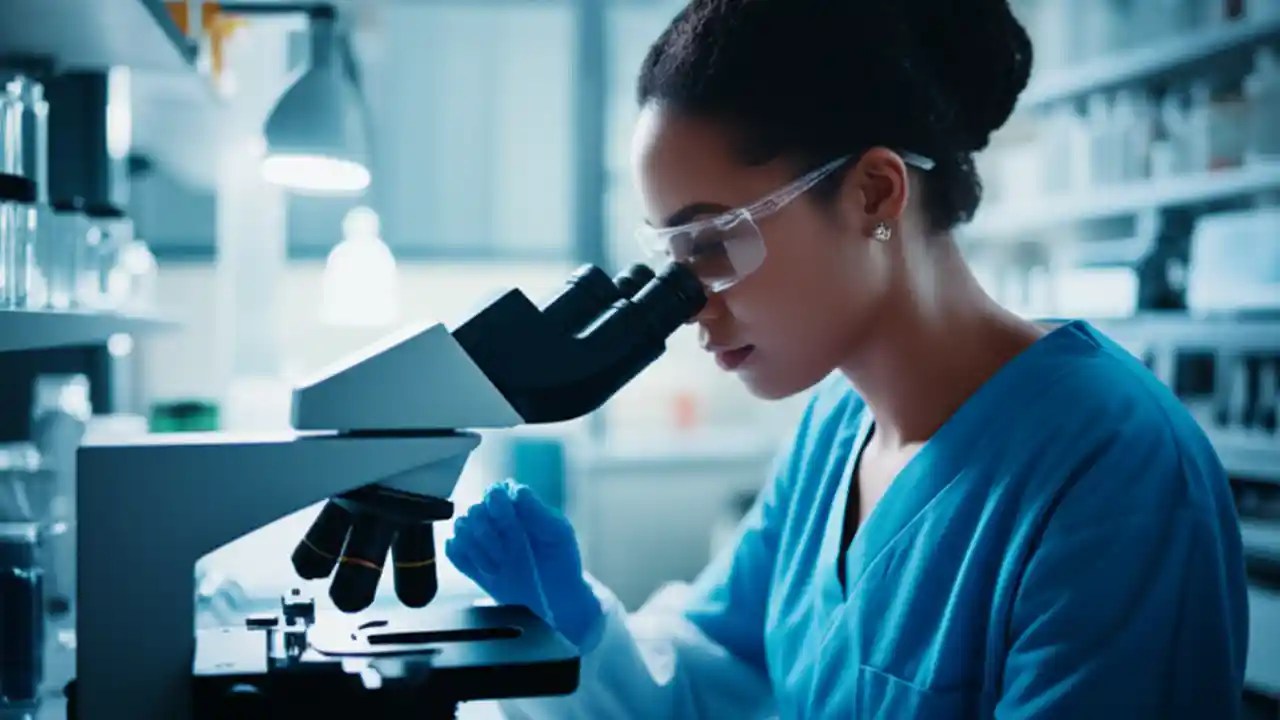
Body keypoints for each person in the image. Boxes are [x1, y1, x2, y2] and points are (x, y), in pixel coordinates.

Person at [444, 0, 1249, 716]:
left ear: (873, 193)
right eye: (671, 260)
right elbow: (720, 667)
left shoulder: (1114, 470)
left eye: (716, 242)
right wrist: (582, 631)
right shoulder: (835, 428)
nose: (692, 303)